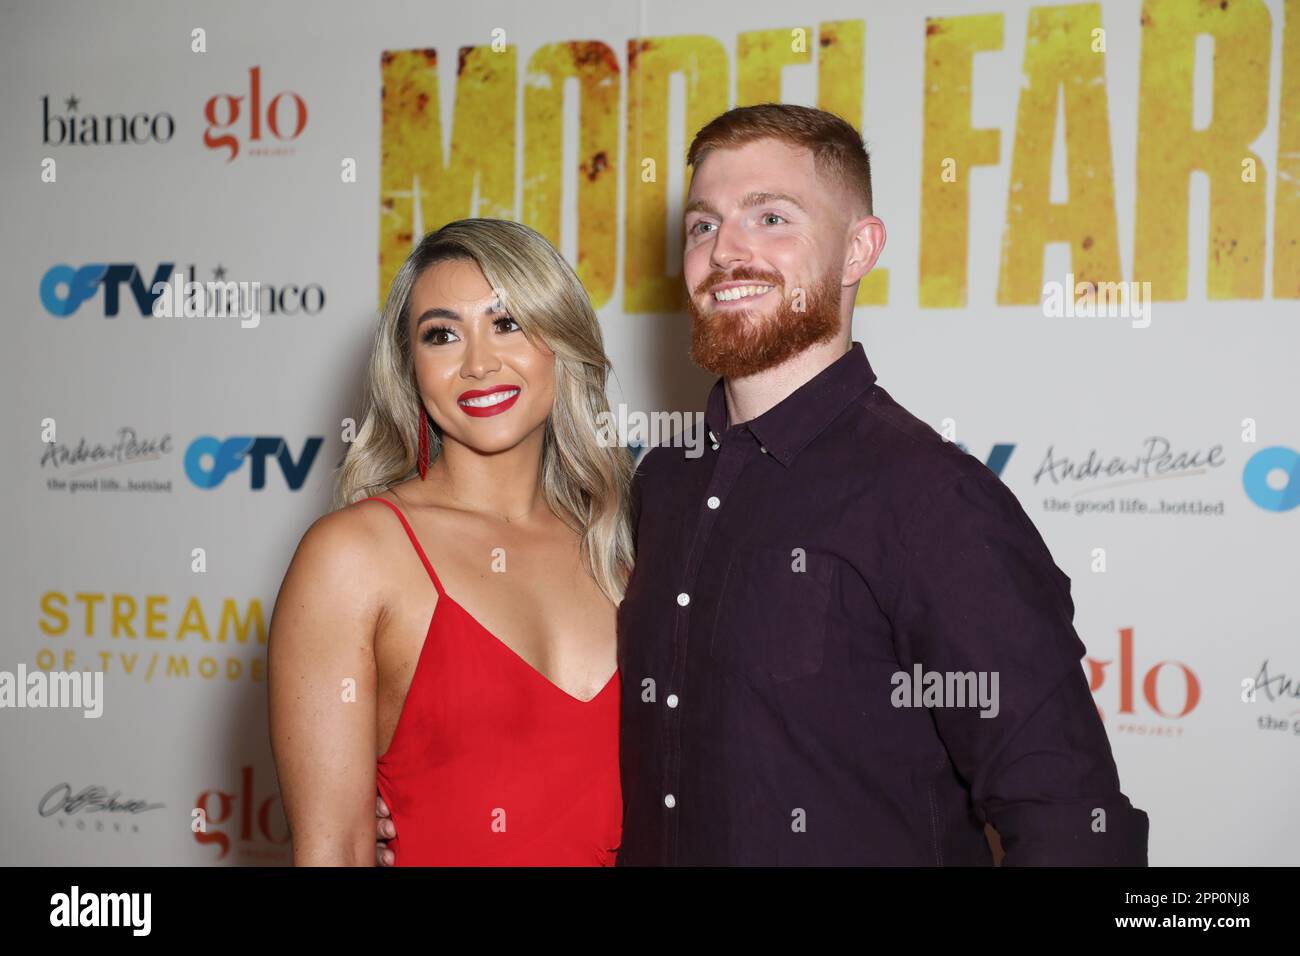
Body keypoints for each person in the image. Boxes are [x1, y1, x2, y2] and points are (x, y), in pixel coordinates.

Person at [378, 103, 1150, 866]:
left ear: (858, 251)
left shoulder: (933, 503)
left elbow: (1072, 823)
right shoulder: (658, 486)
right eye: (704, 225)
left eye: (772, 217)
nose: (726, 252)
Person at [269, 218, 632, 866]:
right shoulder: (355, 557)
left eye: (508, 322)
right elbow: (335, 850)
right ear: (410, 367)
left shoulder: (628, 544)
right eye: (441, 334)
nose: (479, 363)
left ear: (561, 339)